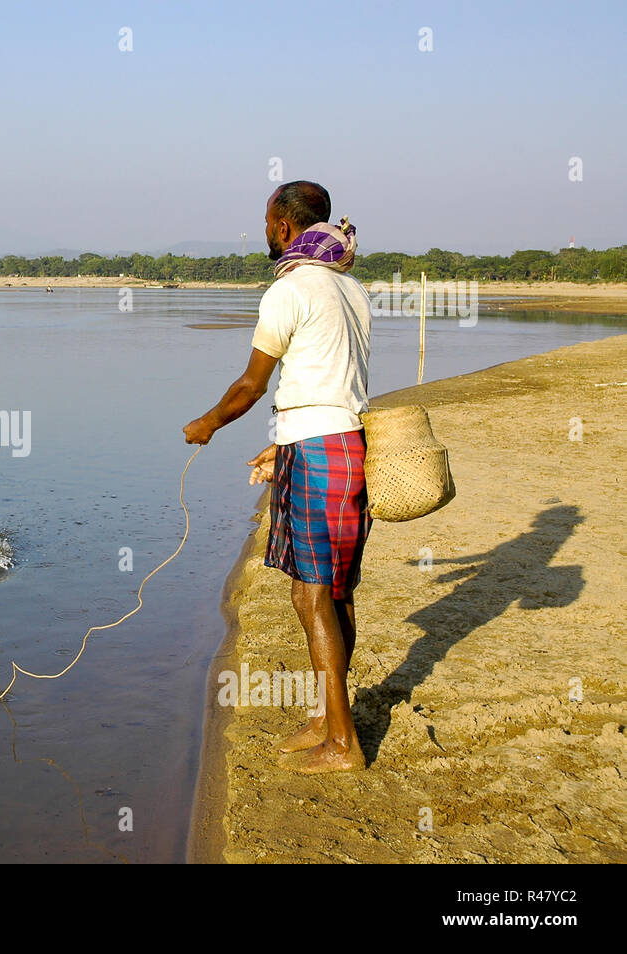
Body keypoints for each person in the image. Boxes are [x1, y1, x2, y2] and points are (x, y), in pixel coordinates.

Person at [183, 181, 373, 774]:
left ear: (285, 226)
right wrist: (279, 446)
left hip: (319, 450)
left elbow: (250, 386)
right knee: (333, 591)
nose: (265, 231)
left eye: (267, 221)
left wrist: (207, 423)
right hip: (341, 443)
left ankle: (342, 743)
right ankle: (326, 718)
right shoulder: (352, 289)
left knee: (310, 593)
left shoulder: (290, 290)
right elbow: (327, 384)